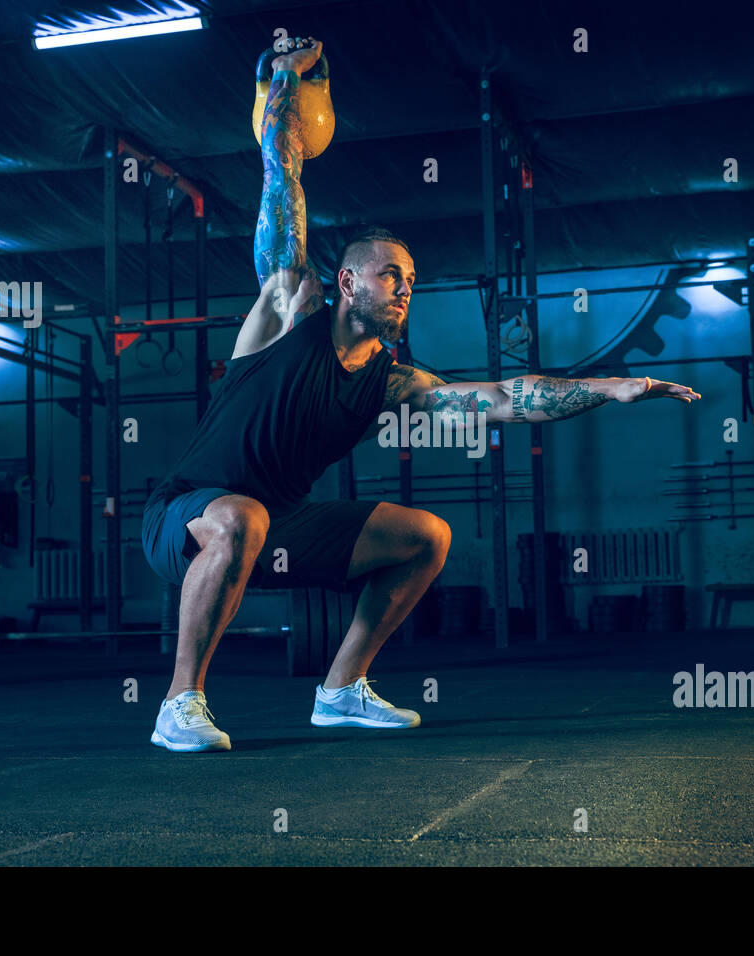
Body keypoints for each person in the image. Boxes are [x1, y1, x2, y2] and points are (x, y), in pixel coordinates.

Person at [141, 36, 701, 752]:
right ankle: (178, 703)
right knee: (240, 515)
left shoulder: (394, 382)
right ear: (347, 282)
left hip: (276, 523)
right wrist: (282, 89)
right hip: (185, 517)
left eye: (410, 279)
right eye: (387, 275)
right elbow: (282, 183)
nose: (404, 287)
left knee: (425, 536)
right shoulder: (287, 309)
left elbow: (504, 397)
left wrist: (613, 387)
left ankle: (341, 689)